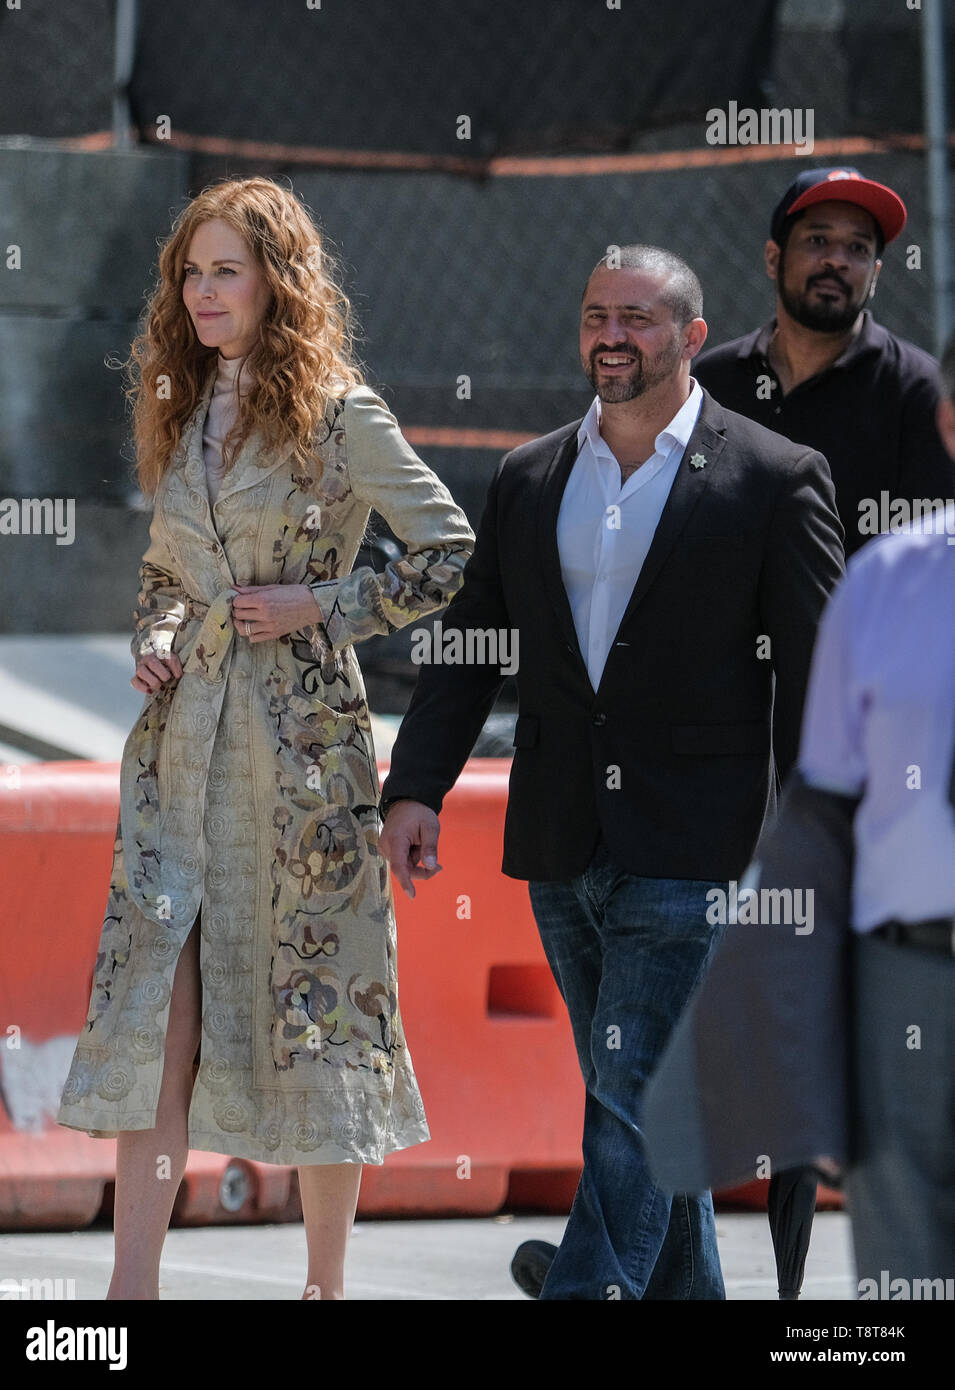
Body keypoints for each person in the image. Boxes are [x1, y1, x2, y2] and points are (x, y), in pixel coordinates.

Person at [377, 245, 845, 1300]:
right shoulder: (529, 473)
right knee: (635, 1085)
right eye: (596, 314)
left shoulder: (772, 478)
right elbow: (472, 640)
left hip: (696, 844)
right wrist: (416, 783)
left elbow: (822, 677)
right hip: (559, 836)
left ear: (689, 336)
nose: (611, 335)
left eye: (637, 317)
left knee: (629, 1092)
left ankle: (585, 1288)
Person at [57, 176, 475, 1300]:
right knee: (158, 1010)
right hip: (179, 752)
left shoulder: (342, 412)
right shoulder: (181, 406)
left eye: (225, 269)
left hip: (301, 760)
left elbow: (448, 549)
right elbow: (164, 575)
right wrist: (152, 632)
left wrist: (325, 604)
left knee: (319, 1007)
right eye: (190, 271)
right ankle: (129, 1293)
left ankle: (325, 1287)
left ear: (277, 280)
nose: (200, 291)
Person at [791, 330, 955, 1293]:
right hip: (905, 981)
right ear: (946, 420)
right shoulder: (884, 584)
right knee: (901, 1278)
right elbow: (822, 820)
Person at [695, 166, 955, 558]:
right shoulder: (710, 382)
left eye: (858, 248)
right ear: (773, 258)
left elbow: (932, 559)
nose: (837, 261)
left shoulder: (920, 391)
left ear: (875, 274)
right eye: (818, 240)